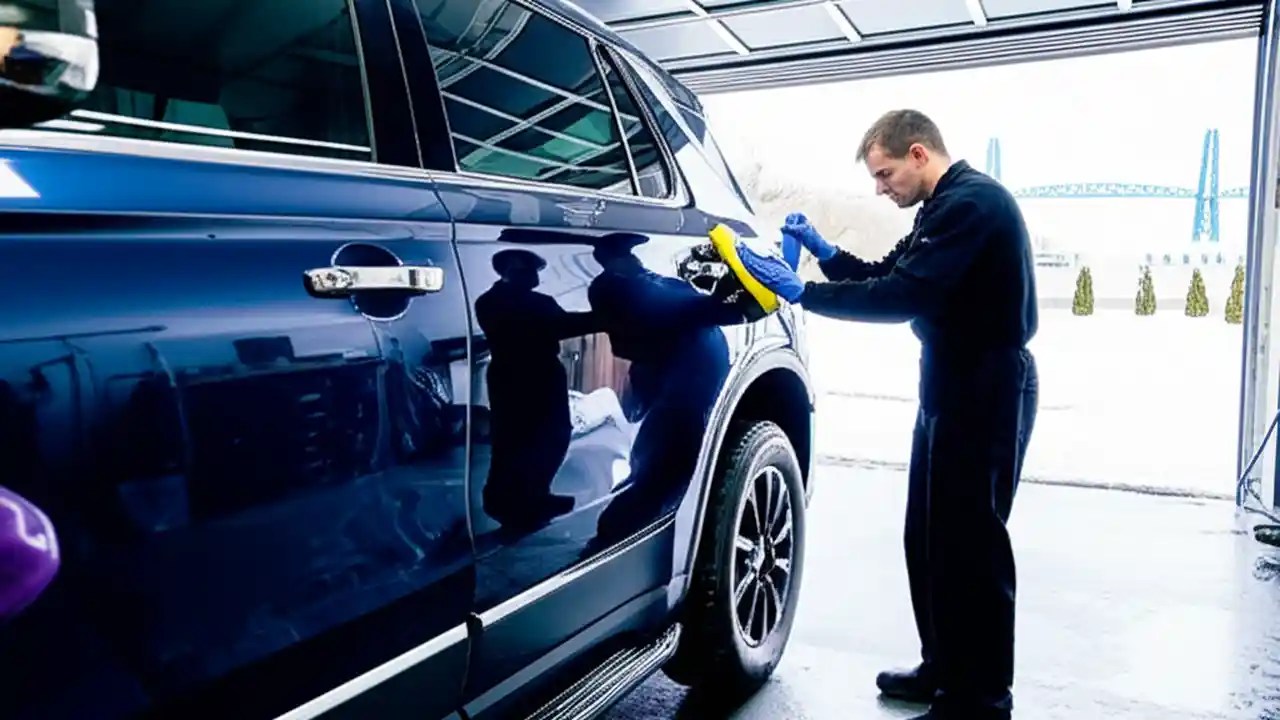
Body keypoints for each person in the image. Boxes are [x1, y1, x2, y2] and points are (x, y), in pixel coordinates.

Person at [733, 109, 1039, 720]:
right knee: (927, 538)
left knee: (971, 547)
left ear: (919, 154)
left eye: (885, 174)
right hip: (949, 382)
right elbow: (887, 274)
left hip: (986, 384)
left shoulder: (973, 205)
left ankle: (979, 701)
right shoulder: (941, 207)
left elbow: (902, 296)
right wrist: (825, 255)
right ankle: (943, 669)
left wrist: (804, 294)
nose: (880, 188)